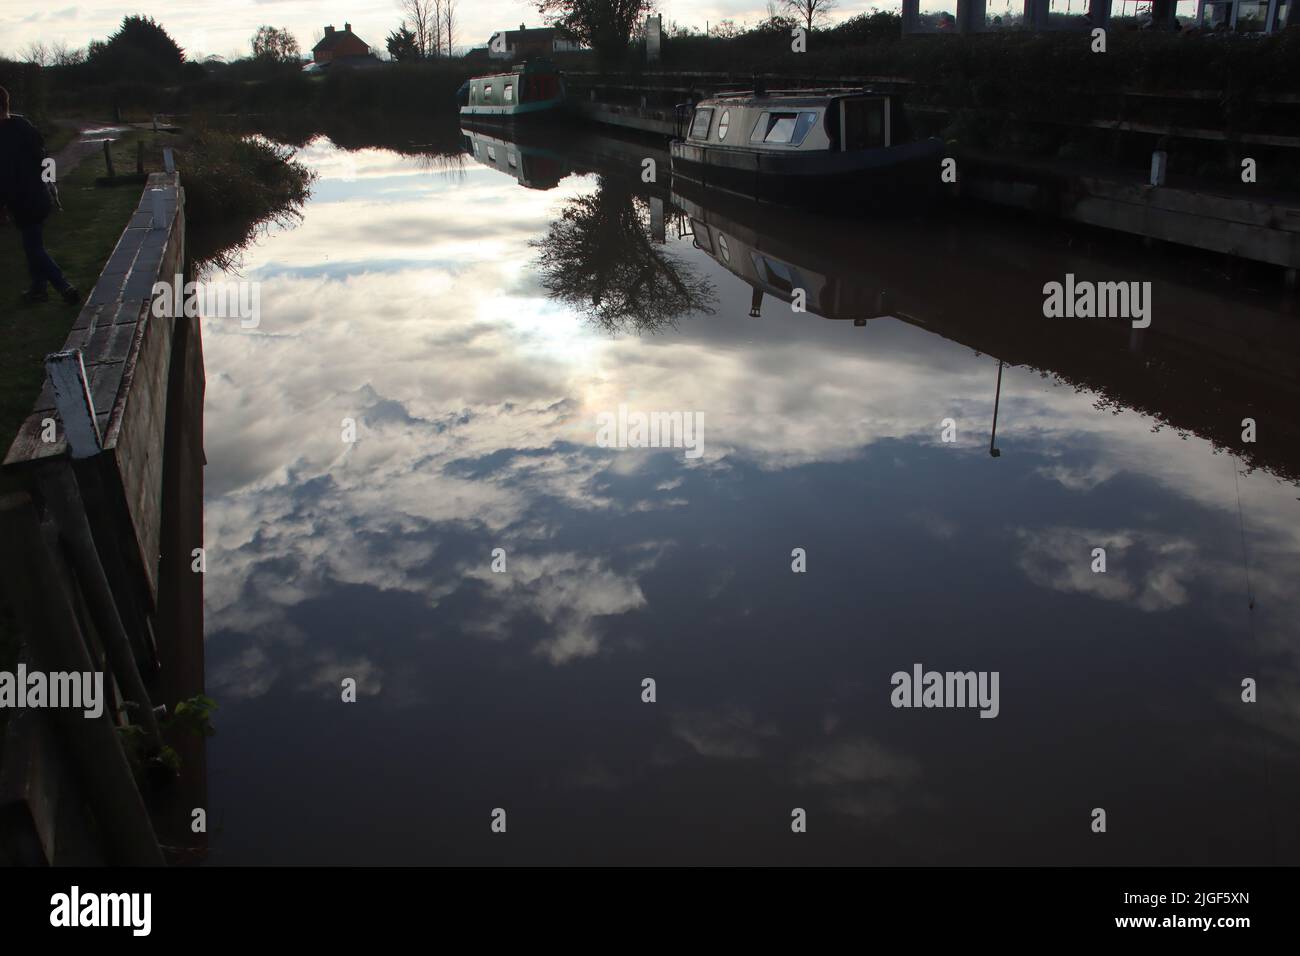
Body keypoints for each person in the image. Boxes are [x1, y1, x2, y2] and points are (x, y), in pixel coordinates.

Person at [0, 85, 79, 305]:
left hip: (24, 200)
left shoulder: (4, 137)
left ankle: (64, 286)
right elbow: (46, 158)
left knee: (33, 248)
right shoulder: (24, 126)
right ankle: (38, 288)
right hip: (40, 196)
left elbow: (5, 178)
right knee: (33, 243)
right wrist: (51, 187)